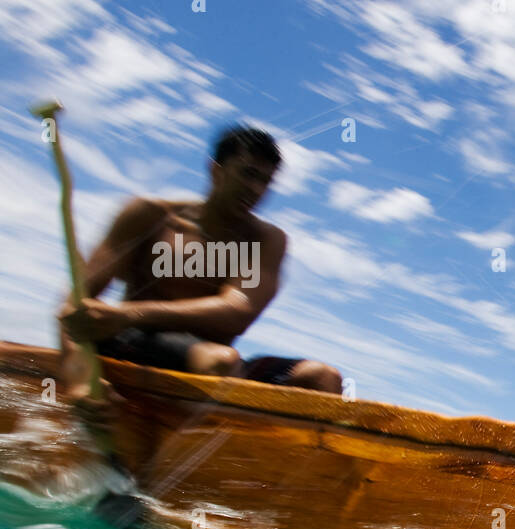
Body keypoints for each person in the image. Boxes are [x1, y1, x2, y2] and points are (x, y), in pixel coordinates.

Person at [57, 125, 343, 418]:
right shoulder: (150, 216)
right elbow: (73, 309)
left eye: (265, 182)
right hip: (135, 344)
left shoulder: (265, 241)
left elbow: (237, 311)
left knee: (323, 377)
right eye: (248, 174)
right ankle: (168, 454)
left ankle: (261, 457)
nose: (256, 190)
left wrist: (130, 312)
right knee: (219, 360)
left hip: (216, 365)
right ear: (216, 170)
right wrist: (79, 380)